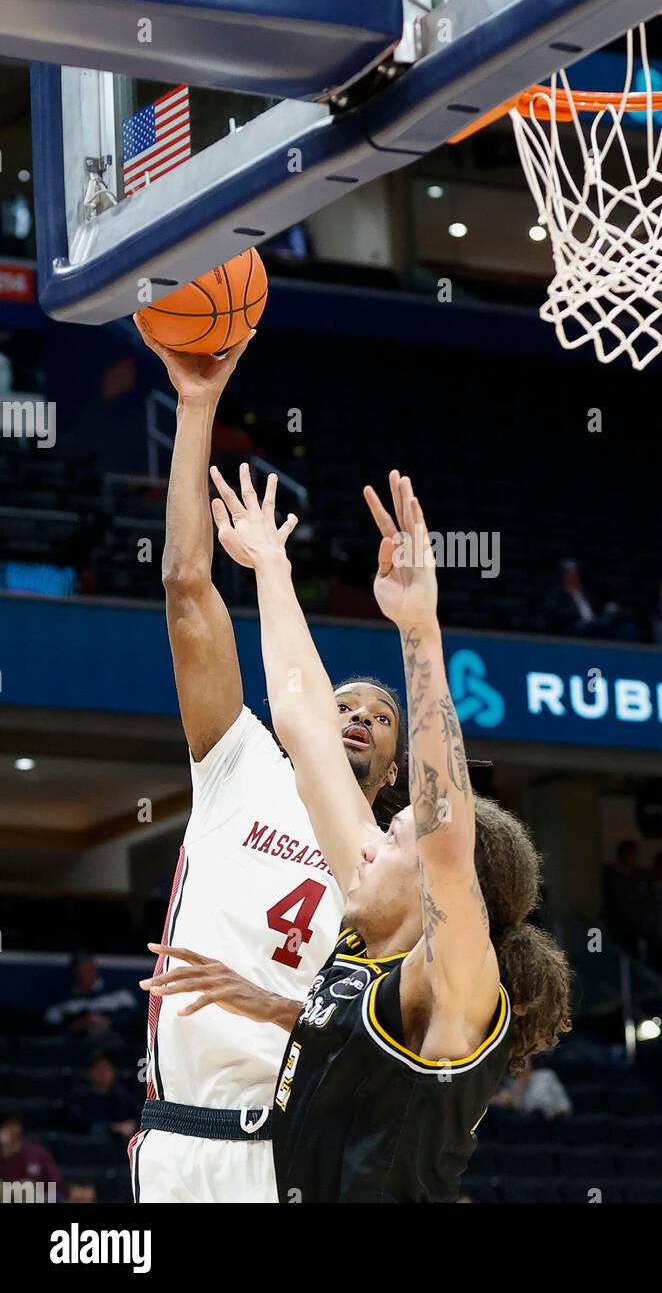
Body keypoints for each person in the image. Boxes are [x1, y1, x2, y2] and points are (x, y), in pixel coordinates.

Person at [145, 469, 572, 1202]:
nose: (366, 845)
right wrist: (272, 570)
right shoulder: (369, 939)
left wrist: (420, 633)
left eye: (391, 837)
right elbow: (306, 723)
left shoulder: (454, 985)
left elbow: (442, 835)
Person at [131, 324, 404, 1204]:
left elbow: (397, 1056)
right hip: (172, 1141)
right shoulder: (240, 758)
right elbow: (185, 591)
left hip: (290, 1152)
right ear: (305, 723)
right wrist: (197, 405)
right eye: (344, 705)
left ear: (395, 768)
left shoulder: (391, 868)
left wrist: (272, 1004)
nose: (359, 715)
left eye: (380, 716)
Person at [44, 951, 138, 1043]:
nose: (84, 976)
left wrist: (109, 1021)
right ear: (74, 973)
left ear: (94, 970)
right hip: (75, 1045)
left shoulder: (118, 993)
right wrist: (74, 1026)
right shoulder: (63, 1001)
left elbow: (135, 1018)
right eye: (79, 972)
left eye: (87, 970)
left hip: (111, 1045)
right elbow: (50, 1026)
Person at [67, 1054, 138, 1141]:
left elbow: (134, 1118)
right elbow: (78, 1124)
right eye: (99, 1069)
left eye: (107, 1069)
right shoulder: (79, 1097)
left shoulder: (123, 1097)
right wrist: (111, 1128)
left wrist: (131, 1125)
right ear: (90, 1072)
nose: (103, 1073)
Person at [0, 1112, 61, 1198]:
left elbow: (55, 1185)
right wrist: (6, 1152)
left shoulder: (37, 1153)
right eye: (4, 1127)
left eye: (13, 1125)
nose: (9, 1130)